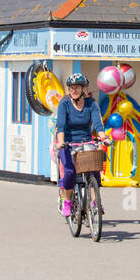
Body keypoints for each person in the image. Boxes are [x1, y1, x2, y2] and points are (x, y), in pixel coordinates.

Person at [53, 73, 106, 217]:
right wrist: (61, 142)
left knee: (94, 170)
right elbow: (61, 126)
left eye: (76, 88)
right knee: (70, 172)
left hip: (86, 142)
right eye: (71, 88)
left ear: (84, 89)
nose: (73, 90)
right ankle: (68, 201)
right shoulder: (64, 103)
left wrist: (103, 138)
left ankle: (95, 202)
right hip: (68, 143)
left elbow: (97, 124)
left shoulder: (91, 104)